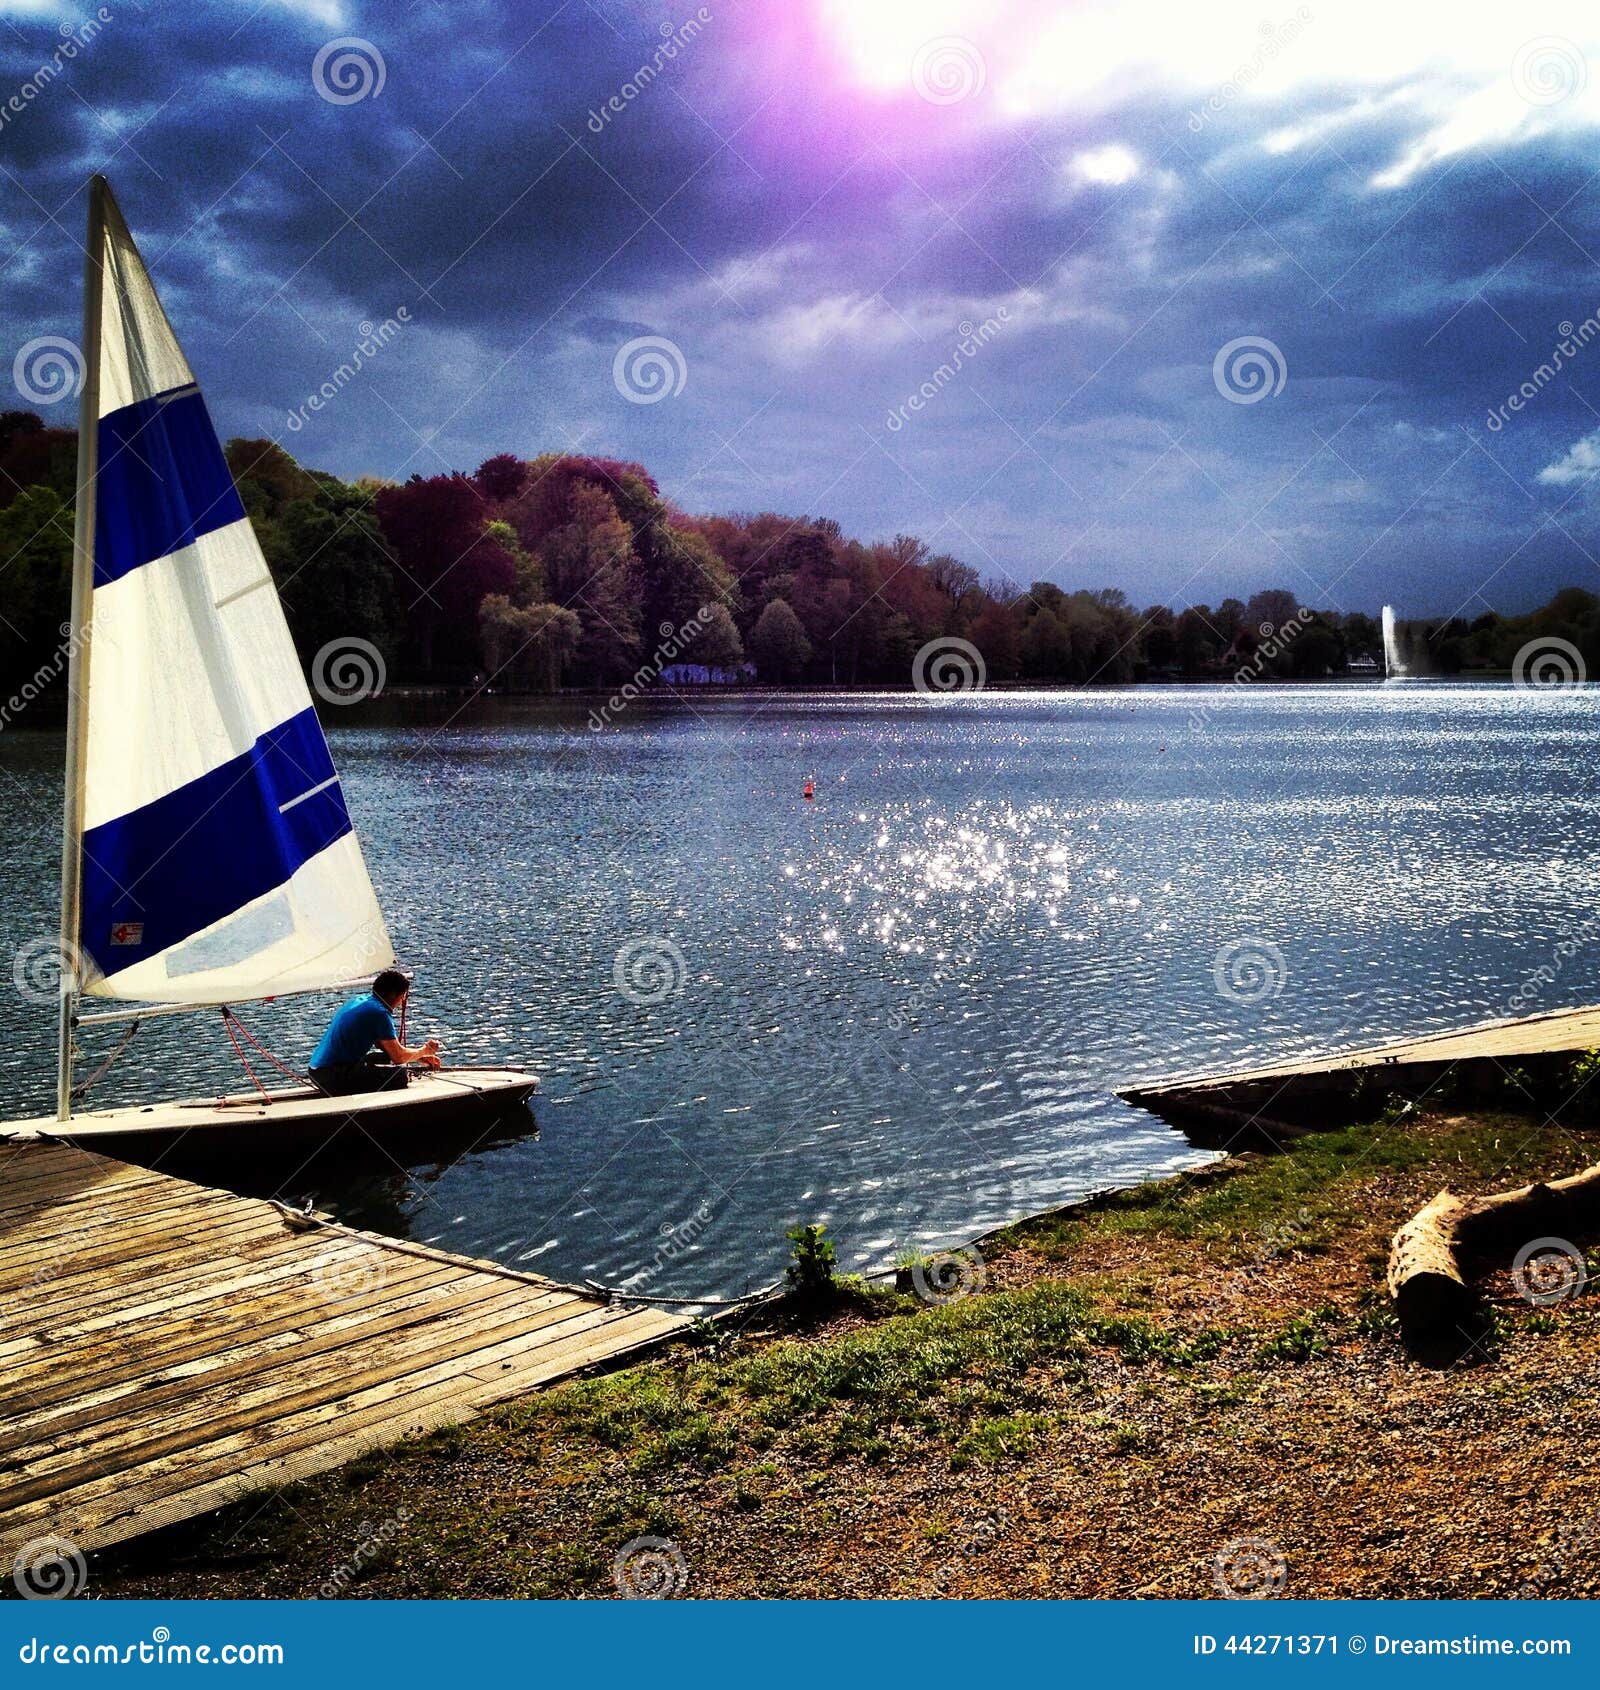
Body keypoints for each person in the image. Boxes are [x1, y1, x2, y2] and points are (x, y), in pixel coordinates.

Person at [308, 969, 441, 1096]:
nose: (402, 1002)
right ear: (394, 995)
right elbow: (398, 1057)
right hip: (331, 1076)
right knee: (400, 1075)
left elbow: (386, 1048)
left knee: (381, 1058)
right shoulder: (379, 1013)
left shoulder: (363, 1001)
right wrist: (425, 1050)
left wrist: (418, 1057)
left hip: (317, 1071)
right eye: (403, 997)